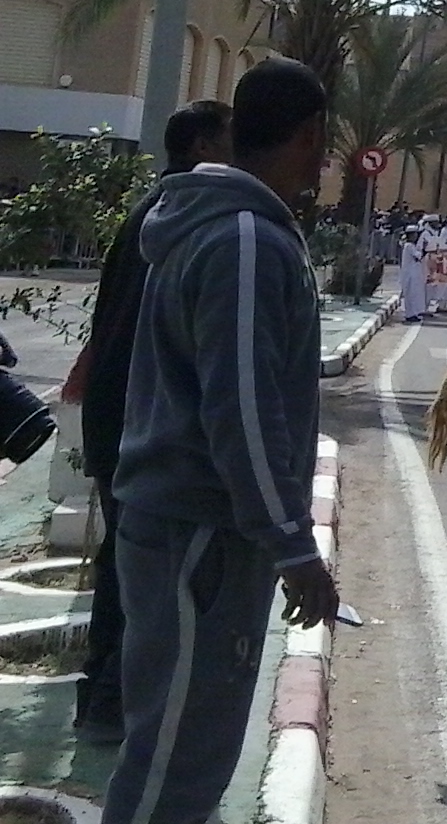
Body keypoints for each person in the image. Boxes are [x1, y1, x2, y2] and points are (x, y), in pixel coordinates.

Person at [102, 57, 340, 824]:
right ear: (310, 135)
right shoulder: (245, 241)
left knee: (186, 755)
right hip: (198, 534)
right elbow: (241, 405)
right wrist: (293, 545)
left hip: (190, 529)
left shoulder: (238, 231)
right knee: (175, 764)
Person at [69, 99, 233, 744]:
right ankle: (111, 699)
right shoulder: (179, 219)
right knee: (136, 563)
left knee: (124, 554)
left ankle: (105, 696)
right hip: (132, 412)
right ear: (197, 145)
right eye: (228, 139)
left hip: (117, 409)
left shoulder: (158, 213)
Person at [399, 225, 427, 324]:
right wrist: (425, 249)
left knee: (414, 294)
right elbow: (418, 256)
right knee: (410, 295)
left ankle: (413, 313)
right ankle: (409, 315)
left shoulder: (411, 245)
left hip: (412, 274)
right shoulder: (409, 246)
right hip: (409, 275)